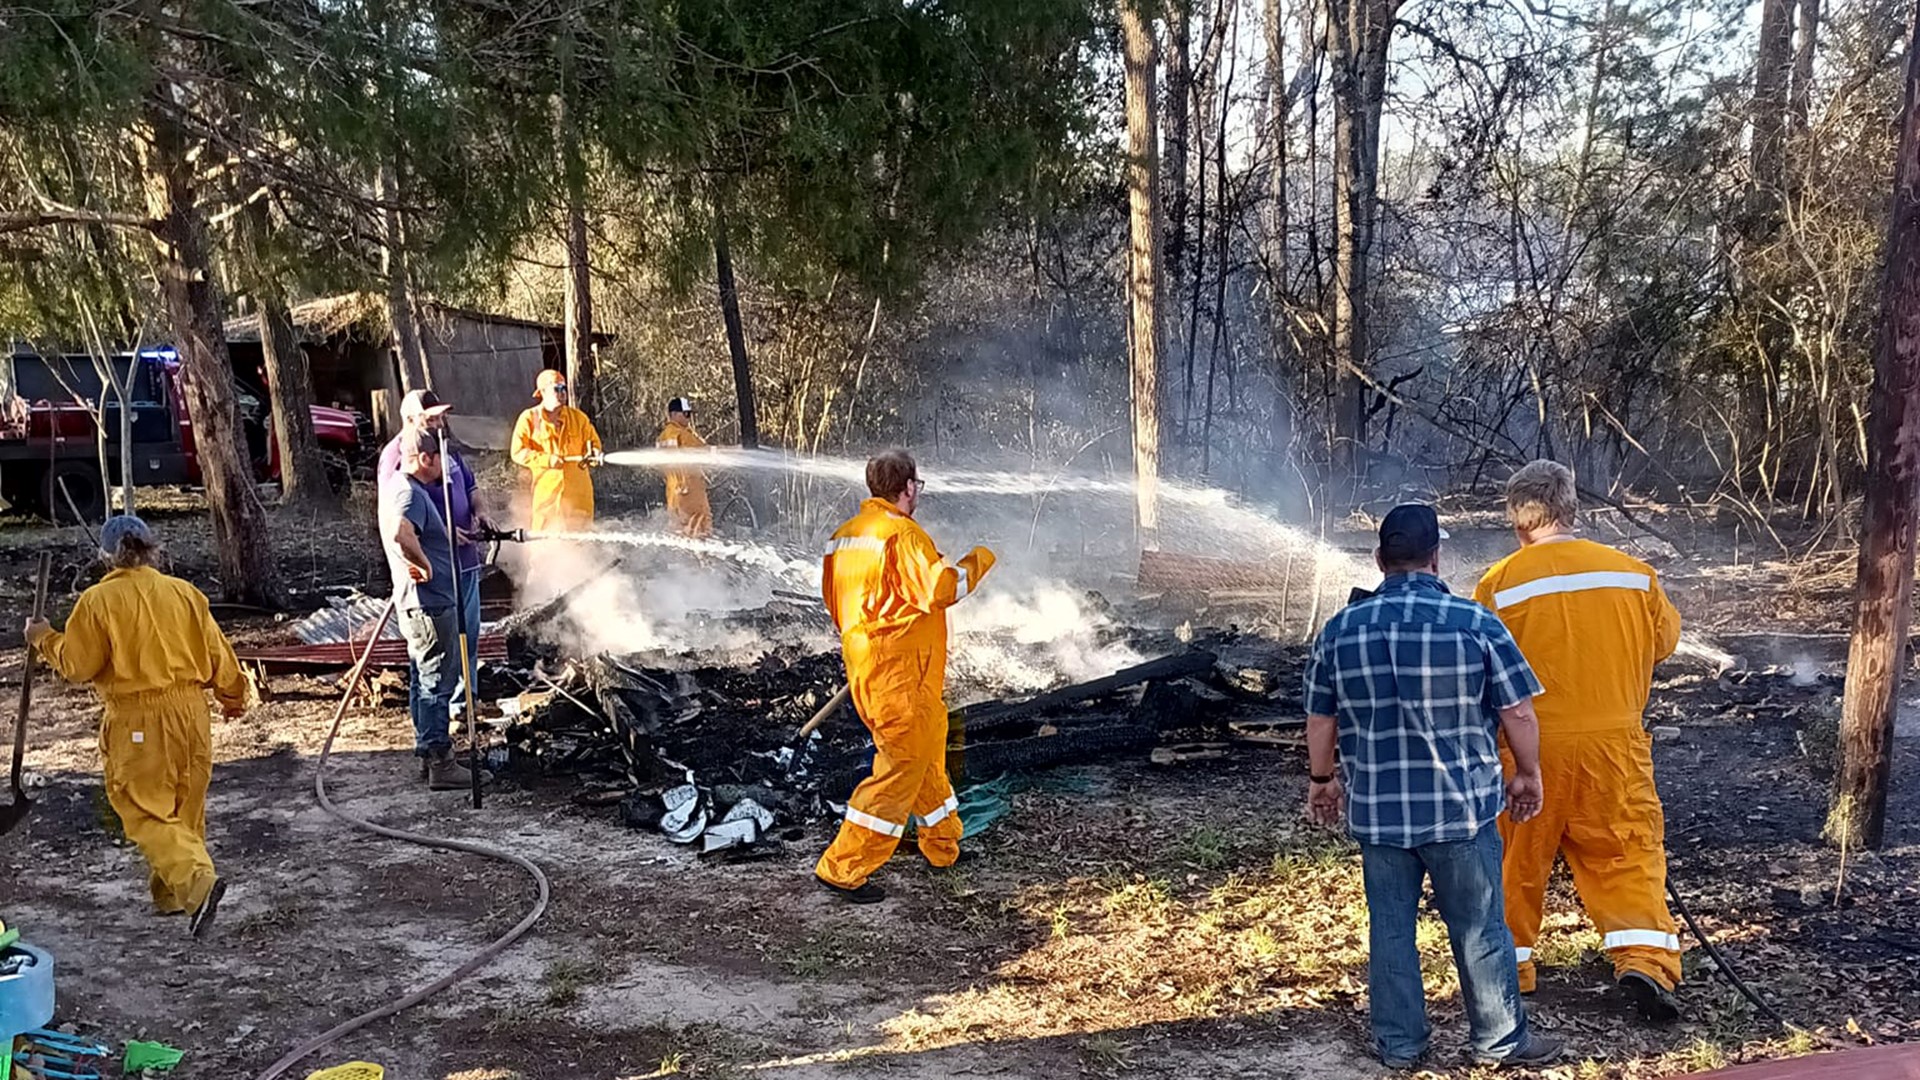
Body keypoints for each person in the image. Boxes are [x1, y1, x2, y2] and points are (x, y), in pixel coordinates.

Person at [1303, 504, 1563, 1069]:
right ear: (1435, 558)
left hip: (1378, 814)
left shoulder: (1341, 629)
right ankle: (1499, 1040)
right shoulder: (1474, 622)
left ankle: (1400, 1046)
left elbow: (1322, 720)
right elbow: (1518, 712)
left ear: (1379, 561)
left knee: (1391, 930)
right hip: (1461, 810)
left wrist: (1322, 780)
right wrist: (1528, 772)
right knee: (1479, 926)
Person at [1472, 461, 1684, 1022]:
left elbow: (1480, 673)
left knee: (1514, 856)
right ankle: (1644, 959)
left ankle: (1509, 968)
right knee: (1626, 851)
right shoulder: (1634, 575)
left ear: (1518, 521)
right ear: (1571, 509)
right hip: (1615, 747)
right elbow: (1663, 642)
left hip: (1527, 747)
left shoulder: (1498, 584)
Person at [25, 516, 255, 938]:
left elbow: (78, 665)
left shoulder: (98, 601)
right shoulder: (185, 593)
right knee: (184, 806)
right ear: (153, 548)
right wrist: (233, 697)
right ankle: (171, 896)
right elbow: (219, 654)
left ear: (106, 556)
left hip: (138, 718)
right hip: (191, 713)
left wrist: (43, 638)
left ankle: (198, 884)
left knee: (144, 808)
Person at [814, 450, 996, 903]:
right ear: (908, 487)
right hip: (903, 678)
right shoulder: (902, 535)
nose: (919, 493)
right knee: (899, 771)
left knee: (926, 760)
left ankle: (942, 847)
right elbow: (941, 589)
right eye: (918, 486)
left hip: (872, 669)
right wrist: (978, 561)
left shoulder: (845, 538)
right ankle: (843, 867)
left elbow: (834, 602)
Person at [381, 427, 485, 791]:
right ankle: (442, 763)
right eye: (443, 459)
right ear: (426, 459)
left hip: (425, 603)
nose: (449, 467)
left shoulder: (405, 487)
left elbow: (416, 531)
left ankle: (428, 752)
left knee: (424, 678)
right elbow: (401, 533)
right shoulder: (410, 492)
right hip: (431, 603)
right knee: (437, 681)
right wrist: (426, 566)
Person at [378, 389, 490, 718]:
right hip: (436, 574)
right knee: (439, 654)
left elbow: (470, 486)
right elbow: (397, 518)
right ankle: (438, 726)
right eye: (432, 416)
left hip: (466, 563)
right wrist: (440, 536)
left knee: (468, 638)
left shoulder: (444, 447)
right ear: (411, 419)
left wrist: (480, 512)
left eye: (441, 414)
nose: (440, 420)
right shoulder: (398, 455)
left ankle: (464, 704)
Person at [509, 369, 602, 533]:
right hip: (547, 498)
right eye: (556, 389)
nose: (562, 393)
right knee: (545, 544)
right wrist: (546, 460)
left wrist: (594, 453)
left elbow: (594, 443)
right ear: (543, 392)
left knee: (582, 545)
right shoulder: (529, 418)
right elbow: (518, 452)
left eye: (563, 388)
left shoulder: (578, 418)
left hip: (579, 498)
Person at [654, 396, 712, 538]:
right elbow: (703, 451)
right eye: (685, 414)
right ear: (673, 414)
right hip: (690, 493)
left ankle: (679, 561)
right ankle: (701, 560)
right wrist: (728, 450)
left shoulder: (662, 437)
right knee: (700, 530)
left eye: (689, 414)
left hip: (674, 494)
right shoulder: (682, 435)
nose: (688, 418)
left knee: (678, 534)